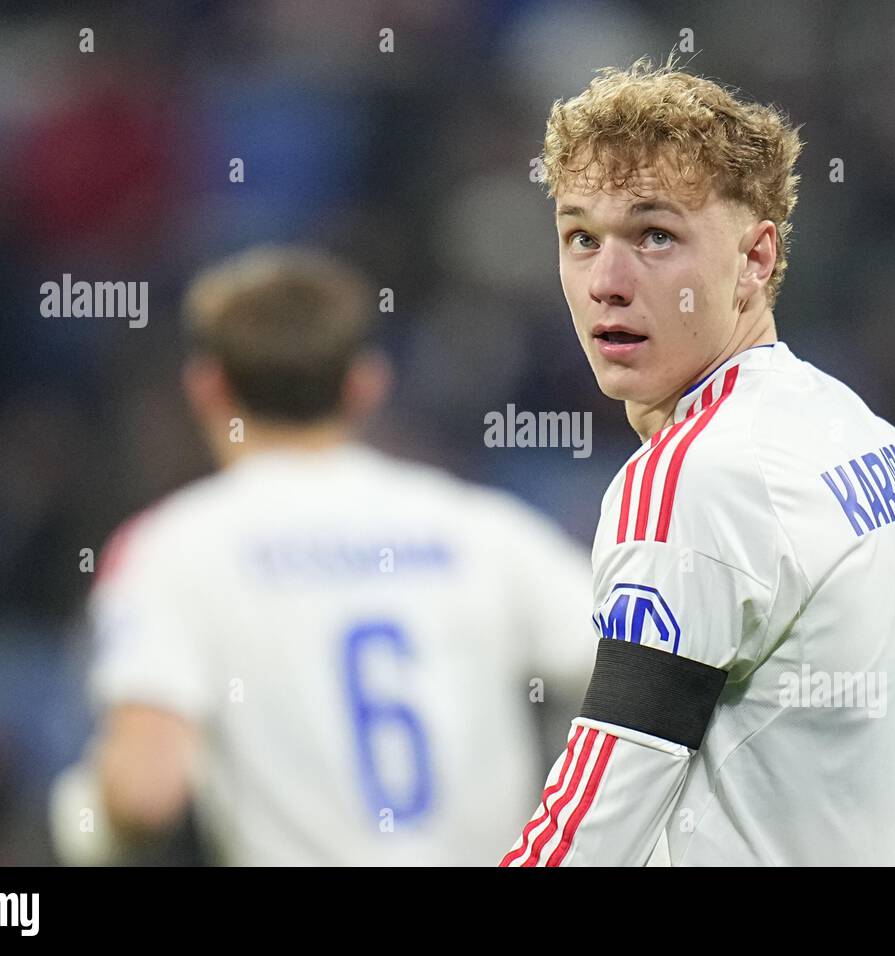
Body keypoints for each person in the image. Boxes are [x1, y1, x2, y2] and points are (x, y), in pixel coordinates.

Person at [501, 57, 895, 866]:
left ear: (755, 259)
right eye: (581, 237)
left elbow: (595, 820)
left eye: (656, 235)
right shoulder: (871, 441)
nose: (607, 282)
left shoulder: (693, 475)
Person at [50, 246, 595, 865]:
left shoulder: (174, 550)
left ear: (207, 386)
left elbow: (148, 790)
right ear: (366, 384)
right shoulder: (485, 529)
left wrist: (86, 816)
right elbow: (645, 665)